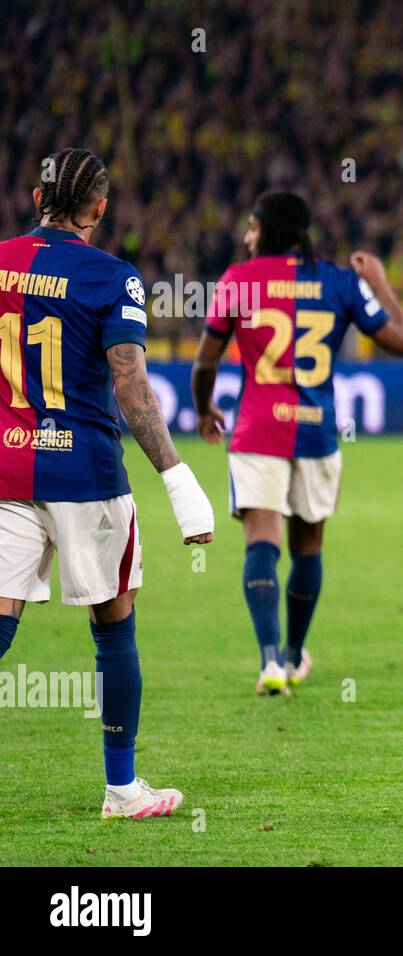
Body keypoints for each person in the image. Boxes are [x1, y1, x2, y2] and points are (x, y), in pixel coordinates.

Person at [0, 147, 215, 819]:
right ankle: (122, 789)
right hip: (87, 475)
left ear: (37, 199)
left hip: (7, 466)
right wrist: (178, 478)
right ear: (98, 208)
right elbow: (130, 383)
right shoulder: (113, 277)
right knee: (114, 624)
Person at [192, 191, 403, 695]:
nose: (246, 237)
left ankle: (269, 660)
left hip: (257, 429)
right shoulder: (339, 281)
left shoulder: (239, 281)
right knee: (308, 546)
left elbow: (206, 361)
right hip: (316, 429)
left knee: (261, 542)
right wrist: (378, 282)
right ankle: (293, 656)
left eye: (251, 227)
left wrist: (204, 408)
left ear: (268, 230)